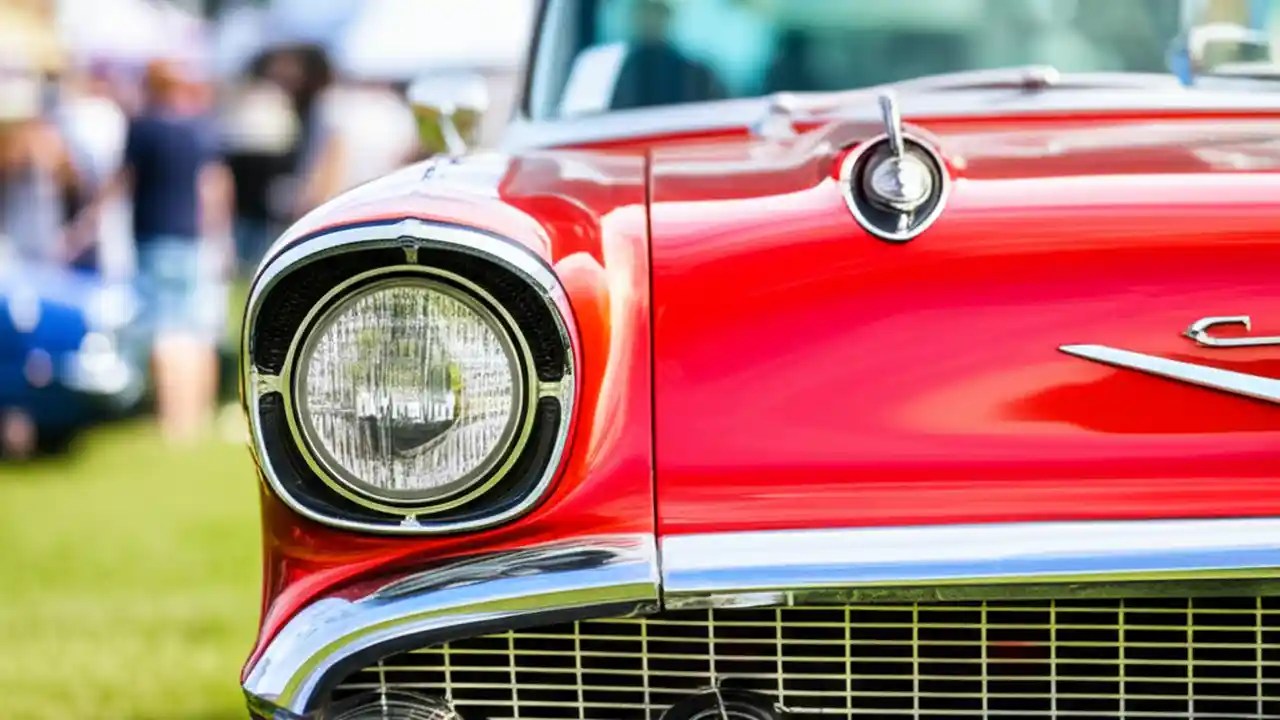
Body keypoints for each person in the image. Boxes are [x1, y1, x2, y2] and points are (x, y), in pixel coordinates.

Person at [70, 60, 231, 443]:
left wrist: (85, 224)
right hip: (194, 241)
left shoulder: (144, 127)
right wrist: (220, 238)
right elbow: (214, 188)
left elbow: (121, 180)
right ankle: (197, 416)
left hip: (156, 240)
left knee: (164, 330)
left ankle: (173, 421)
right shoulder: (201, 129)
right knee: (197, 332)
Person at [610, 0, 726, 110]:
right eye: (645, 11)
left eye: (657, 11)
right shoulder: (614, 74)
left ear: (668, 16)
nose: (651, 19)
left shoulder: (697, 76)